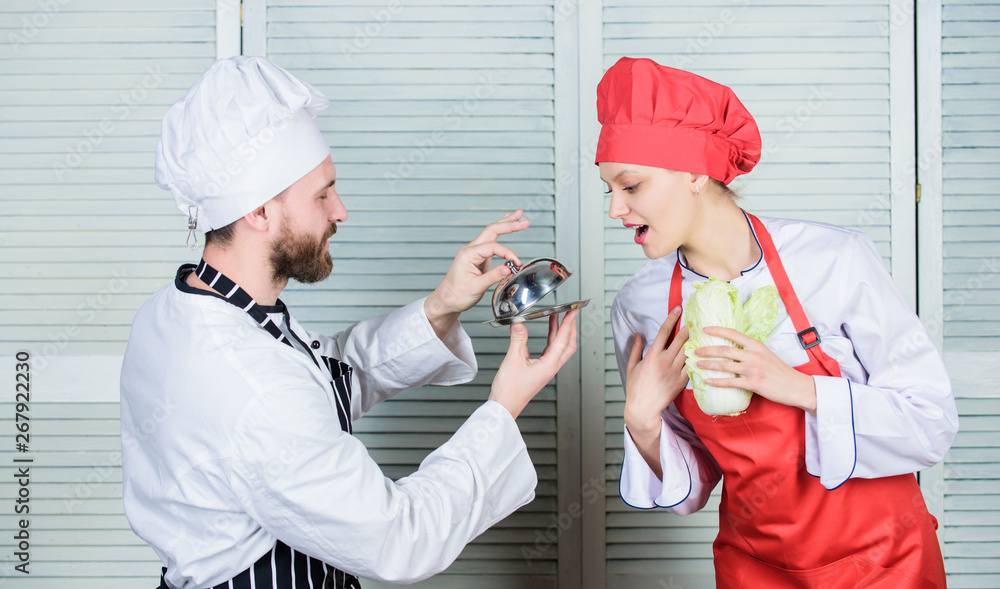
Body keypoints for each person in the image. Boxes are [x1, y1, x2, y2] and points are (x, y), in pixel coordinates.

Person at [119, 56, 579, 589]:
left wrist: (443, 304)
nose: (341, 211)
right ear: (258, 212)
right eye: (322, 194)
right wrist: (505, 406)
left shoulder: (181, 309)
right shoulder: (250, 387)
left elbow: (322, 380)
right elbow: (398, 538)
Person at [597, 57, 958, 587]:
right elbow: (692, 486)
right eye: (607, 189)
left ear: (696, 171)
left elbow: (930, 422)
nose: (614, 210)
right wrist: (642, 421)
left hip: (884, 562)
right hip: (754, 566)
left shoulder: (834, 260)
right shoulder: (642, 306)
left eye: (630, 187)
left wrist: (794, 386)